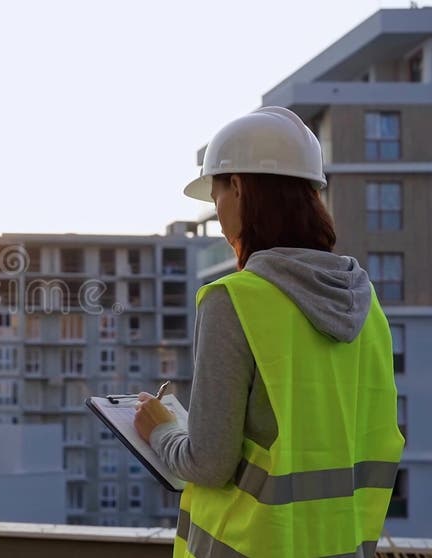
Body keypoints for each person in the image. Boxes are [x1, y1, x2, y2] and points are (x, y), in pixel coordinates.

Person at [133, 106, 404, 558]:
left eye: (217, 196)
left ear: (238, 187)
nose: (219, 216)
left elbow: (208, 463)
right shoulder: (366, 304)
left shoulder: (233, 300)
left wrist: (159, 430)